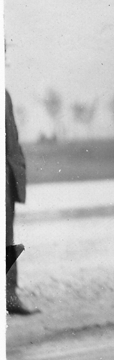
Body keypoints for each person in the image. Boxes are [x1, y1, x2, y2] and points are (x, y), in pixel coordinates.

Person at [6, 90, 37, 315]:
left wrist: (18, 169)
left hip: (6, 179)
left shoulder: (5, 93)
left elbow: (12, 138)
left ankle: (9, 296)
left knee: (6, 239)